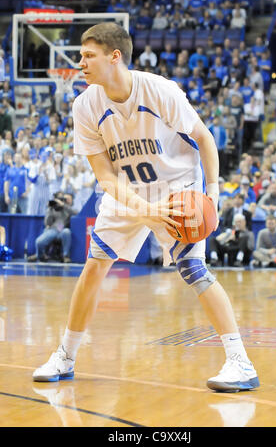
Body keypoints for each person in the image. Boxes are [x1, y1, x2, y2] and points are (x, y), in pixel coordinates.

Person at [32, 22, 259, 393]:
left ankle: (240, 362)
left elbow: (203, 137)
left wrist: (213, 194)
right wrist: (142, 209)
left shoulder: (159, 90)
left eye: (88, 55)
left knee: (193, 268)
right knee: (93, 268)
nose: (80, 62)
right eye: (81, 56)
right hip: (127, 190)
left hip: (177, 187)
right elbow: (104, 176)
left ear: (114, 56)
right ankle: (65, 356)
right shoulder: (85, 104)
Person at [27, 191, 77, 263]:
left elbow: (76, 214)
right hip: (53, 230)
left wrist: (63, 206)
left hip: (63, 231)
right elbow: (47, 223)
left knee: (66, 232)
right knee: (39, 242)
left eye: (61, 199)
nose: (59, 201)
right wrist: (50, 209)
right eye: (57, 199)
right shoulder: (52, 209)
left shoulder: (68, 209)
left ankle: (65, 256)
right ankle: (40, 255)